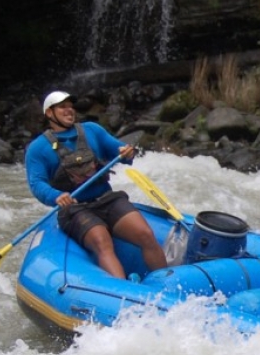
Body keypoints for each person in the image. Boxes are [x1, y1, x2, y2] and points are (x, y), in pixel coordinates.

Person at [25, 91, 166, 280]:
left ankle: (166, 283)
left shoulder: (92, 130)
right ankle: (124, 292)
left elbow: (118, 149)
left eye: (70, 106)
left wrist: (126, 152)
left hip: (106, 199)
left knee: (145, 234)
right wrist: (55, 196)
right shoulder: (38, 148)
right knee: (102, 242)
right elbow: (36, 183)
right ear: (50, 113)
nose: (69, 110)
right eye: (62, 107)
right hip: (75, 209)